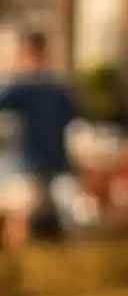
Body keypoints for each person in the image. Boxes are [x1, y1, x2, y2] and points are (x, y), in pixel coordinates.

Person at [0, 31, 78, 246]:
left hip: (40, 161)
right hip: (42, 161)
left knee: (34, 213)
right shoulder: (53, 89)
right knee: (36, 212)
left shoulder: (35, 88)